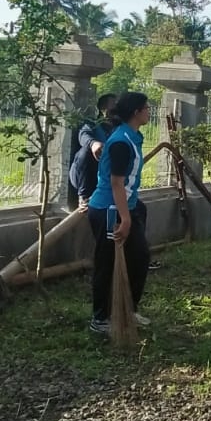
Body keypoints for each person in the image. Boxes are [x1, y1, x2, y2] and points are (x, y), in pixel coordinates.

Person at [86, 92, 153, 335]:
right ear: (136, 112)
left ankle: (128, 309)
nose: (149, 111)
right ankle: (100, 318)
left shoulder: (132, 136)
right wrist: (125, 219)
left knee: (140, 257)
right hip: (108, 209)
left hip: (126, 206)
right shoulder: (121, 142)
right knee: (106, 263)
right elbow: (116, 183)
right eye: (146, 107)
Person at [68, 93, 117, 210]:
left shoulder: (119, 129)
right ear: (103, 109)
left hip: (107, 178)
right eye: (113, 105)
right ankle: (84, 197)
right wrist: (93, 144)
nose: (117, 108)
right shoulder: (92, 124)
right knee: (87, 150)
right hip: (87, 177)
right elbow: (83, 135)